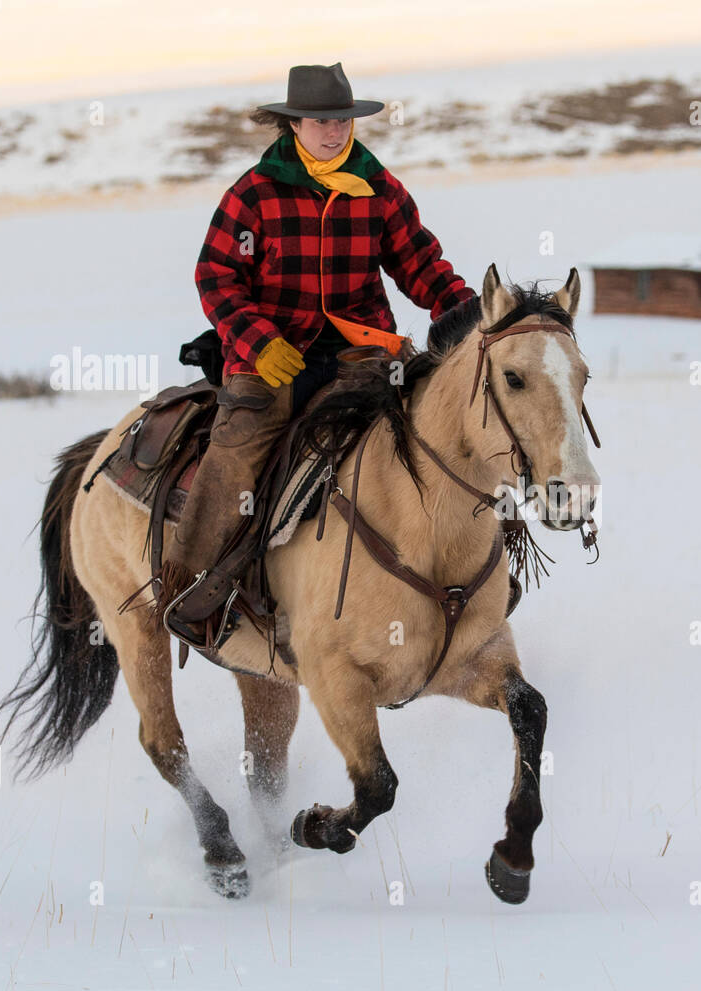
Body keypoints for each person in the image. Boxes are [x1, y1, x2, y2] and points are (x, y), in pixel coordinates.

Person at [159, 63, 476, 648]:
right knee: (237, 454)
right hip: (273, 353)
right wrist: (257, 341)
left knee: (430, 436)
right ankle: (193, 586)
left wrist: (464, 312)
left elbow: (419, 263)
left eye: (343, 121)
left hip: (363, 351)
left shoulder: (376, 187)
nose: (335, 132)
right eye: (322, 121)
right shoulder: (255, 193)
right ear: (294, 124)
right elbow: (217, 276)